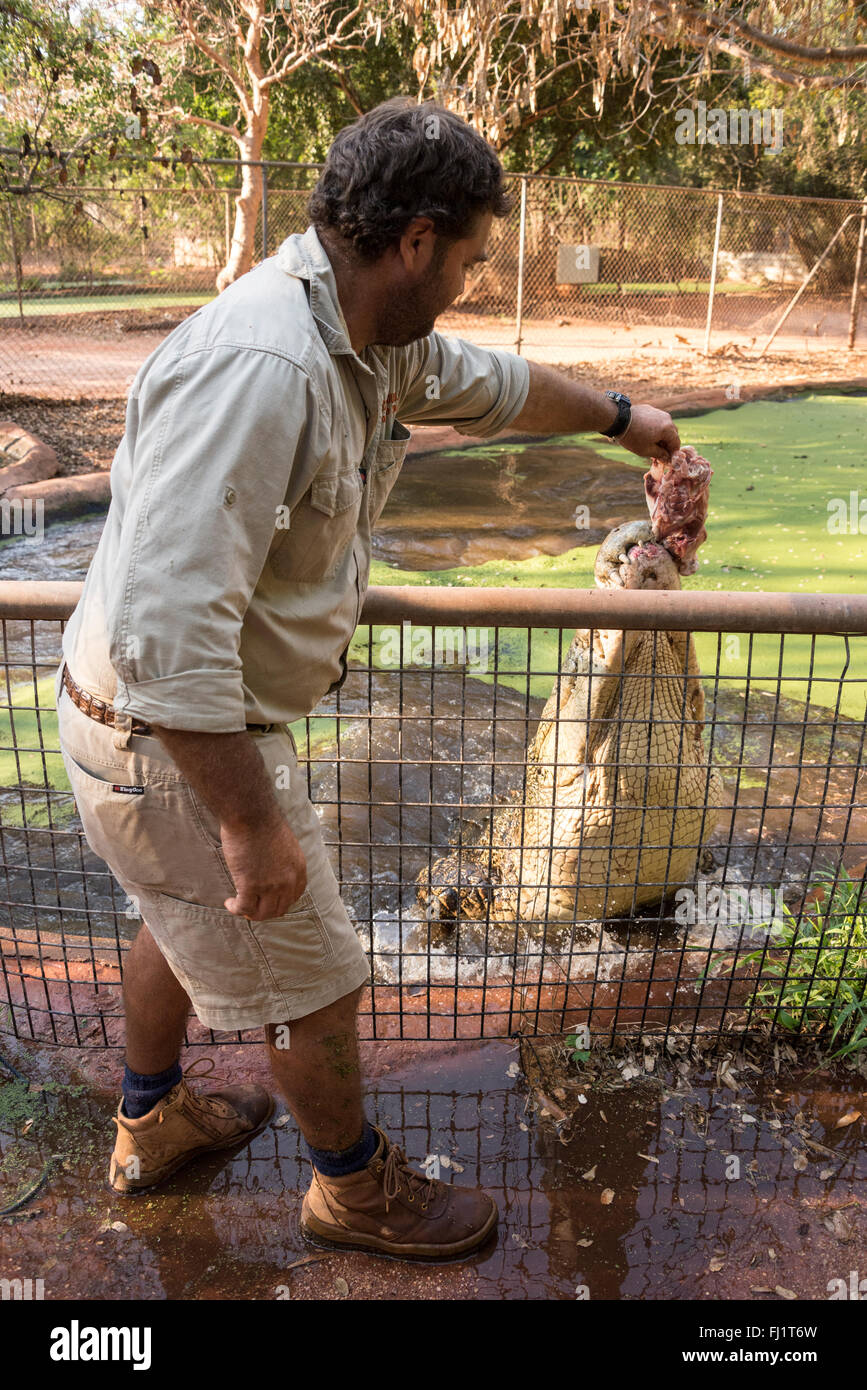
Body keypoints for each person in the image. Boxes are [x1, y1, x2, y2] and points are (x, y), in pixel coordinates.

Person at [56, 96, 681, 1262]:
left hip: (158, 726)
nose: (471, 282)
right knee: (318, 977)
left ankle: (148, 1121)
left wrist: (626, 421)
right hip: (172, 735)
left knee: (178, 918)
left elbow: (492, 385)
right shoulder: (264, 367)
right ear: (416, 241)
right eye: (471, 259)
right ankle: (351, 1187)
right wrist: (248, 821)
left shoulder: (363, 333)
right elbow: (166, 633)